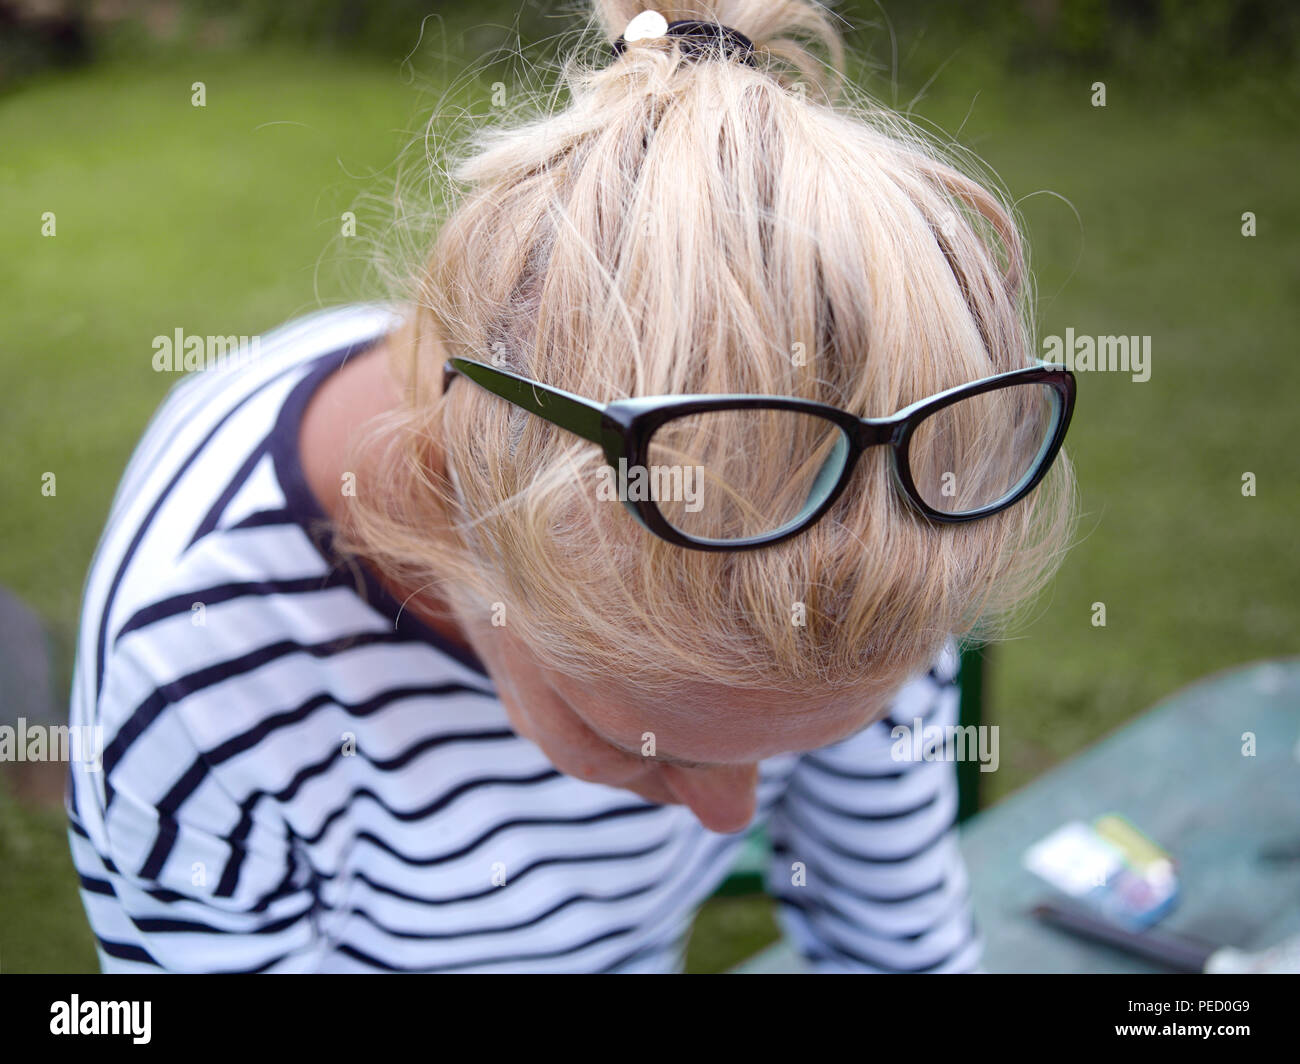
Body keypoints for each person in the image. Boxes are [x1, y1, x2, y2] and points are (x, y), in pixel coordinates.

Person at [67, 0, 1075, 973]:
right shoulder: (193, 664)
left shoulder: (873, 511)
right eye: (644, 744)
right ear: (455, 499)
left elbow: (893, 932)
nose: (730, 818)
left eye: (797, 748)